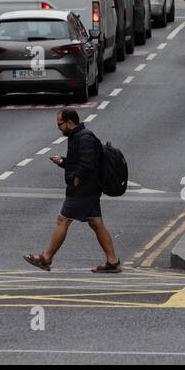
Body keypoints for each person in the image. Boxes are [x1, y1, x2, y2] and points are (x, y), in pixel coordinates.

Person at [24, 108, 121, 273]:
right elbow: (80, 160)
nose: (59, 128)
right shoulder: (78, 136)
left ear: (70, 122)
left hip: (83, 190)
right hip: (89, 189)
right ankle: (112, 260)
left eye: (60, 125)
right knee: (96, 223)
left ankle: (46, 258)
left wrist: (76, 180)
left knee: (63, 220)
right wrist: (63, 161)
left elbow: (88, 163)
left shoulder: (84, 137)